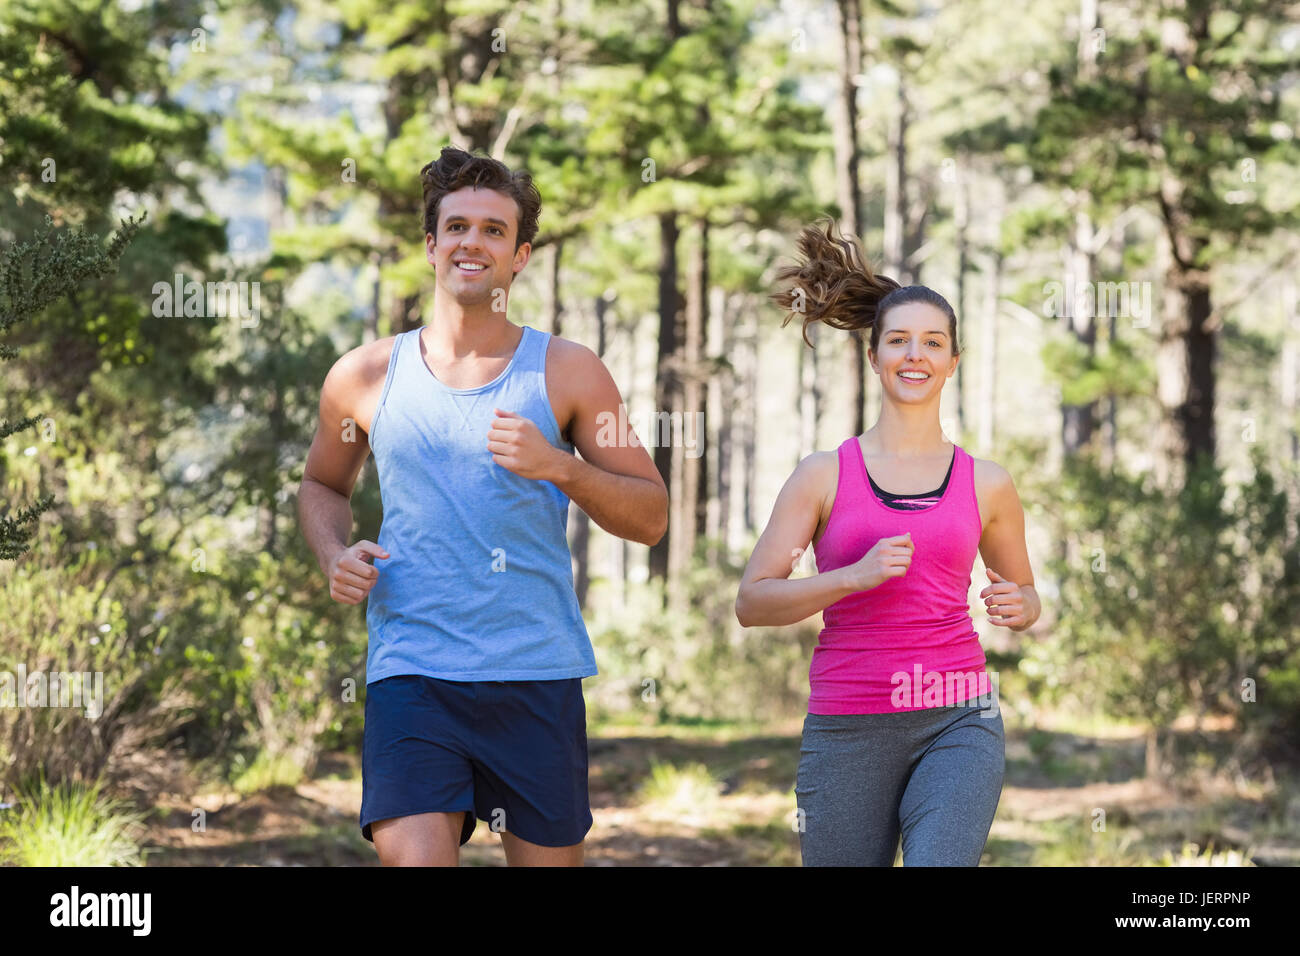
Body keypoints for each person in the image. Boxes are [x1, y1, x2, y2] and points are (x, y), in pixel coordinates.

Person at [297, 146, 668, 866]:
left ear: (520, 254)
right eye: (458, 226)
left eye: (494, 230)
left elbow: (649, 515)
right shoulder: (364, 375)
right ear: (431, 244)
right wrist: (333, 554)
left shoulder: (568, 370)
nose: (474, 242)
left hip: (534, 670)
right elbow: (321, 486)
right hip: (413, 668)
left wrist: (559, 465)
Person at [734, 217, 1040, 866]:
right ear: (874, 357)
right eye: (898, 341)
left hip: (958, 716)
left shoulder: (987, 483)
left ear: (953, 362)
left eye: (933, 343)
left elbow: (1026, 591)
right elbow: (753, 602)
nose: (914, 355)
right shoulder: (823, 475)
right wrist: (849, 577)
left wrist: (1023, 606)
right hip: (848, 723)